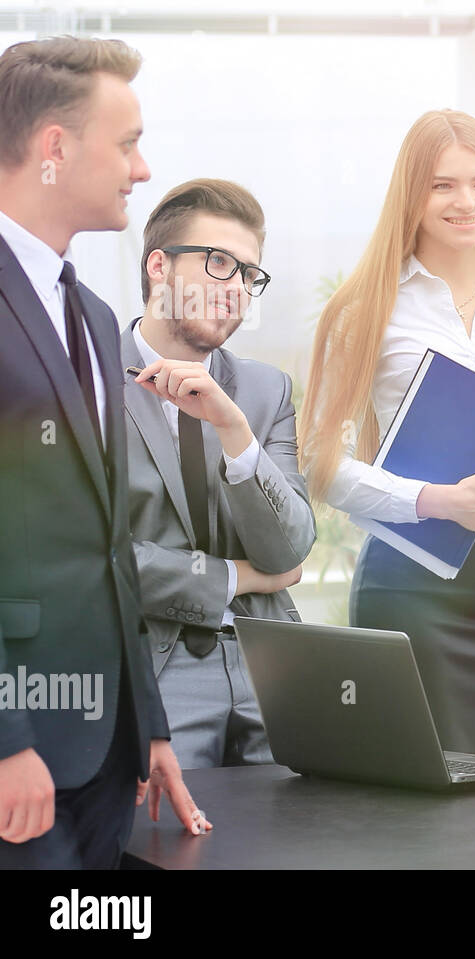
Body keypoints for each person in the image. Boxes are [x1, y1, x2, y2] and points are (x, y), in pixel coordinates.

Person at [0, 35, 210, 867]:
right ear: (55, 146)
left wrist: (147, 723)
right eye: (127, 144)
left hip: (106, 758)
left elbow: (105, 544)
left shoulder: (90, 312)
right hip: (20, 761)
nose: (143, 168)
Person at [300, 110, 475, 758]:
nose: (467, 202)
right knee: (431, 795)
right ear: (411, 193)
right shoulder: (366, 307)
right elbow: (319, 465)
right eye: (443, 186)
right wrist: (435, 499)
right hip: (412, 576)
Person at [125, 178, 316, 769]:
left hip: (271, 666)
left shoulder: (265, 390)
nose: (234, 287)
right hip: (151, 665)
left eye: (248, 275)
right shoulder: (83, 383)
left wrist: (236, 432)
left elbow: (287, 550)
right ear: (160, 266)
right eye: (217, 263)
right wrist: (233, 579)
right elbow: (90, 555)